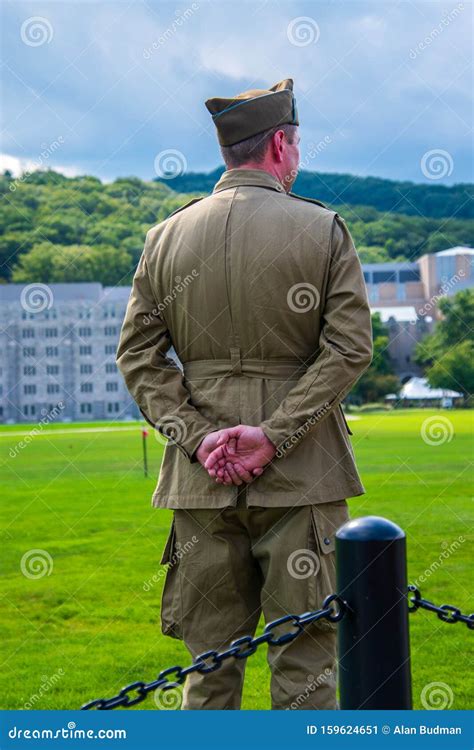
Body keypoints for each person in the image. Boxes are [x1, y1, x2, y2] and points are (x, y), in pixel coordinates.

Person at [116, 77, 373, 710]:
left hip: (200, 479)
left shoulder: (165, 237)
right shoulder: (321, 228)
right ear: (281, 145)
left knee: (210, 666)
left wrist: (200, 439)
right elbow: (349, 348)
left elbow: (138, 357)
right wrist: (274, 435)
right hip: (303, 475)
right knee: (307, 663)